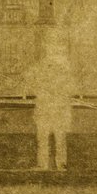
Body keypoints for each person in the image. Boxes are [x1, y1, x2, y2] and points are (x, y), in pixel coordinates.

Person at [33, 30, 74, 171]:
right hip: (44, 106)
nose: (50, 49)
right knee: (42, 137)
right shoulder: (42, 65)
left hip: (59, 107)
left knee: (60, 137)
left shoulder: (64, 66)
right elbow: (37, 83)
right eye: (48, 46)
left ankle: (61, 164)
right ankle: (42, 164)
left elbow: (67, 86)